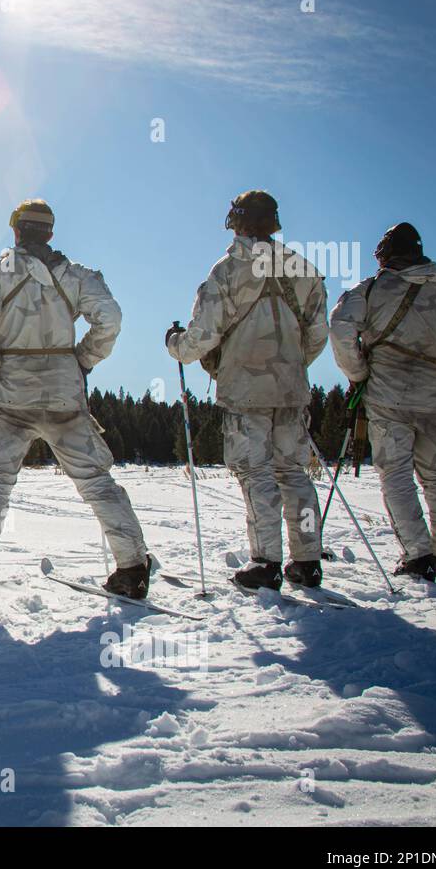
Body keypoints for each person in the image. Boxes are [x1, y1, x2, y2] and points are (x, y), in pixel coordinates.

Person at [0, 199, 151, 610]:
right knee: (96, 481)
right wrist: (83, 359)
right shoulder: (76, 275)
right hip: (64, 391)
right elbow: (110, 318)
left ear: (15, 232)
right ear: (50, 233)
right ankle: (132, 568)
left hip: (11, 392)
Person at [166, 190, 328, 591]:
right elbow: (318, 332)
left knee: (256, 474)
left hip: (244, 389)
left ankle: (266, 562)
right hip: (291, 389)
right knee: (294, 473)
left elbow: (202, 336)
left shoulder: (227, 271)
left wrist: (175, 344)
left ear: (235, 221)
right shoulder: (303, 269)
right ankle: (307, 562)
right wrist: (292, 365)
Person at [328, 222, 436, 581]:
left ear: (386, 255)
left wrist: (358, 372)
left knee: (397, 476)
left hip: (388, 395)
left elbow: (341, 326)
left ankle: (418, 555)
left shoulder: (372, 289)